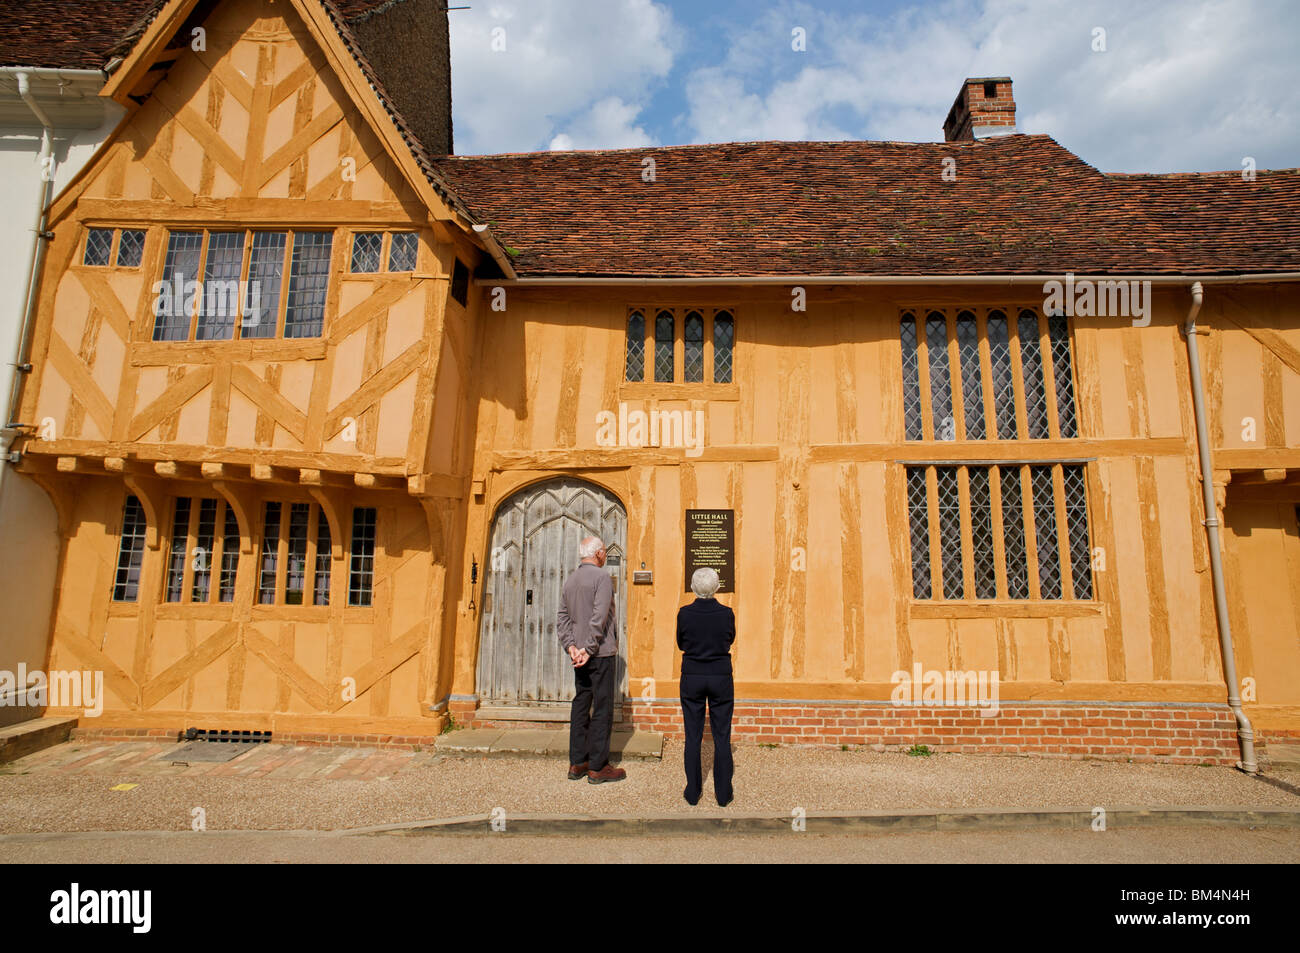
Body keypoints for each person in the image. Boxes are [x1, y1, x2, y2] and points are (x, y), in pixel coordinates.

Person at [556, 535, 626, 783]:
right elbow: (600, 616)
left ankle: (577, 762)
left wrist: (572, 647)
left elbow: (562, 619)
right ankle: (597, 766)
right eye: (604, 551)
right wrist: (588, 648)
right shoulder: (601, 577)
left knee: (581, 703)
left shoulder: (571, 579)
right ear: (597, 554)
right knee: (603, 707)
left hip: (579, 656)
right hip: (599, 653)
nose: (605, 555)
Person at [676, 567, 735, 806]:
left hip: (693, 674)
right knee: (722, 735)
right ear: (716, 587)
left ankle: (693, 791)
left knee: (693, 735)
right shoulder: (727, 613)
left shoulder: (684, 613)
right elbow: (730, 638)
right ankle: (723, 793)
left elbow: (681, 642)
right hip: (720, 674)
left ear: (693, 587)